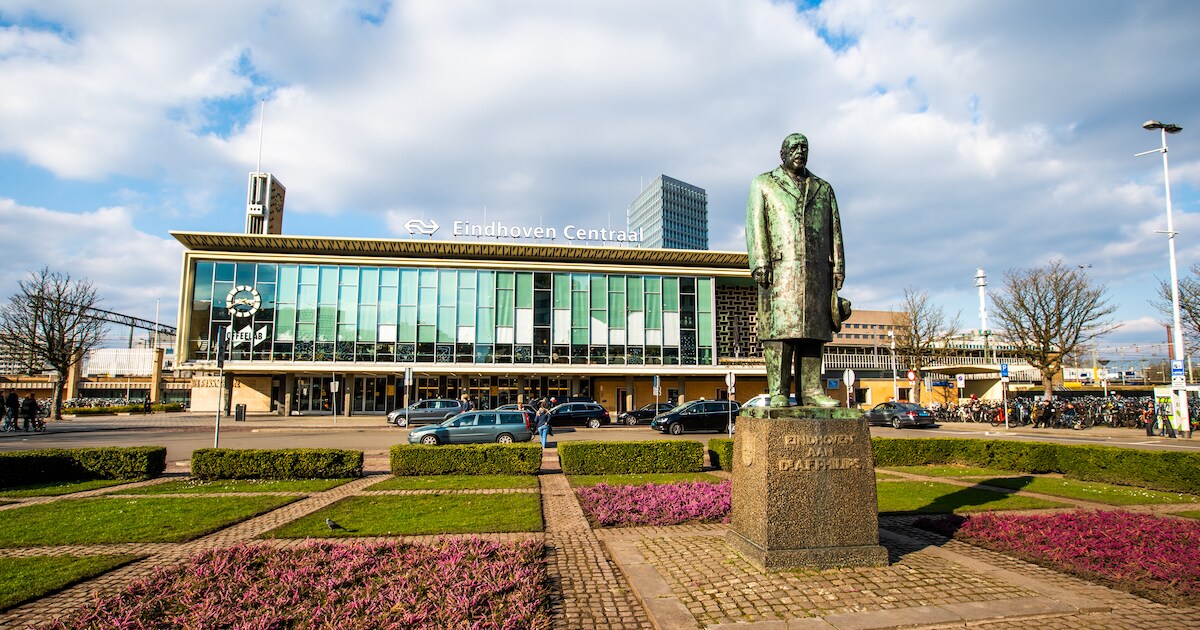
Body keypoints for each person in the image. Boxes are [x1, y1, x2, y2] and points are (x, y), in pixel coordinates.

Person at [746, 132, 845, 407]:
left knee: (813, 333)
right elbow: (755, 226)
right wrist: (760, 262)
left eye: (804, 147)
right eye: (794, 147)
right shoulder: (763, 183)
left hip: (816, 273)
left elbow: (834, 229)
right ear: (782, 153)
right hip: (779, 272)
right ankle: (778, 391)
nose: (800, 151)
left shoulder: (823, 188)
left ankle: (811, 391)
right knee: (780, 333)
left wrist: (838, 267)